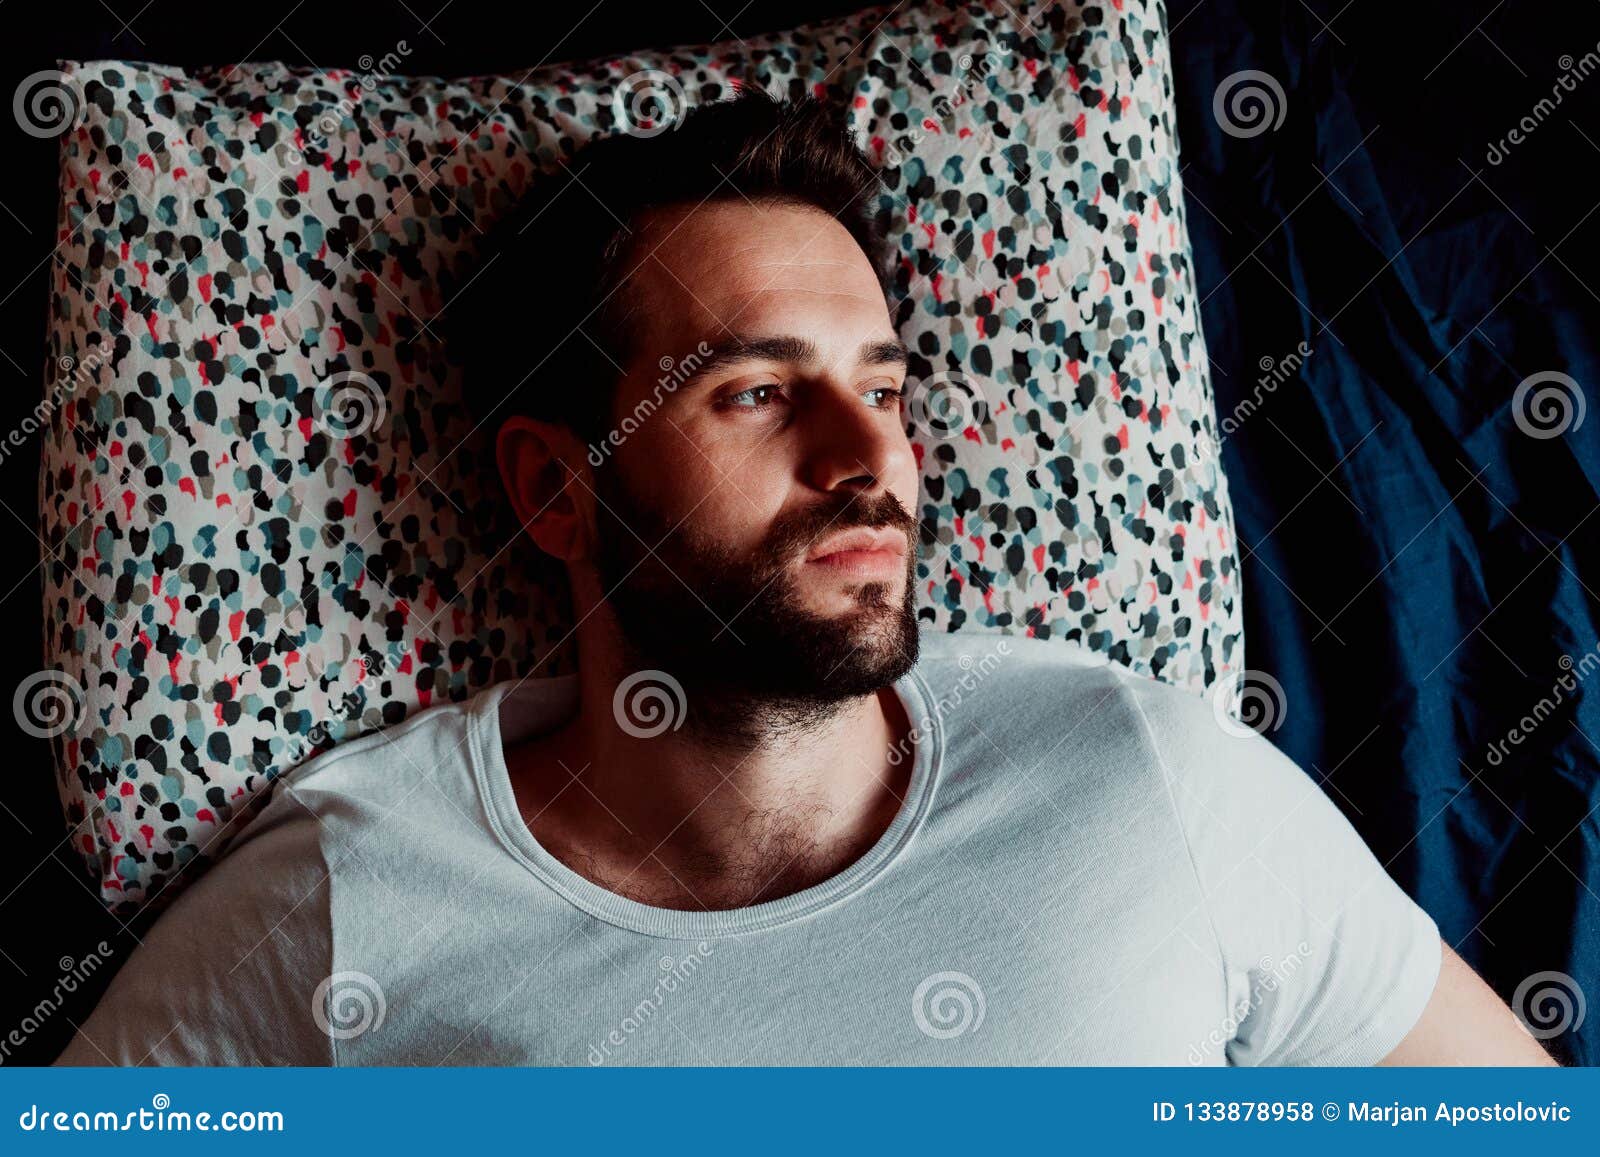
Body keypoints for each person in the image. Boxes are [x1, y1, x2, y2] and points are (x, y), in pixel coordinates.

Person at [56, 93, 1551, 1066]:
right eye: (757, 394)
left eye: (884, 387)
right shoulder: (350, 895)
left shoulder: (1147, 775)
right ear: (555, 487)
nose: (868, 457)